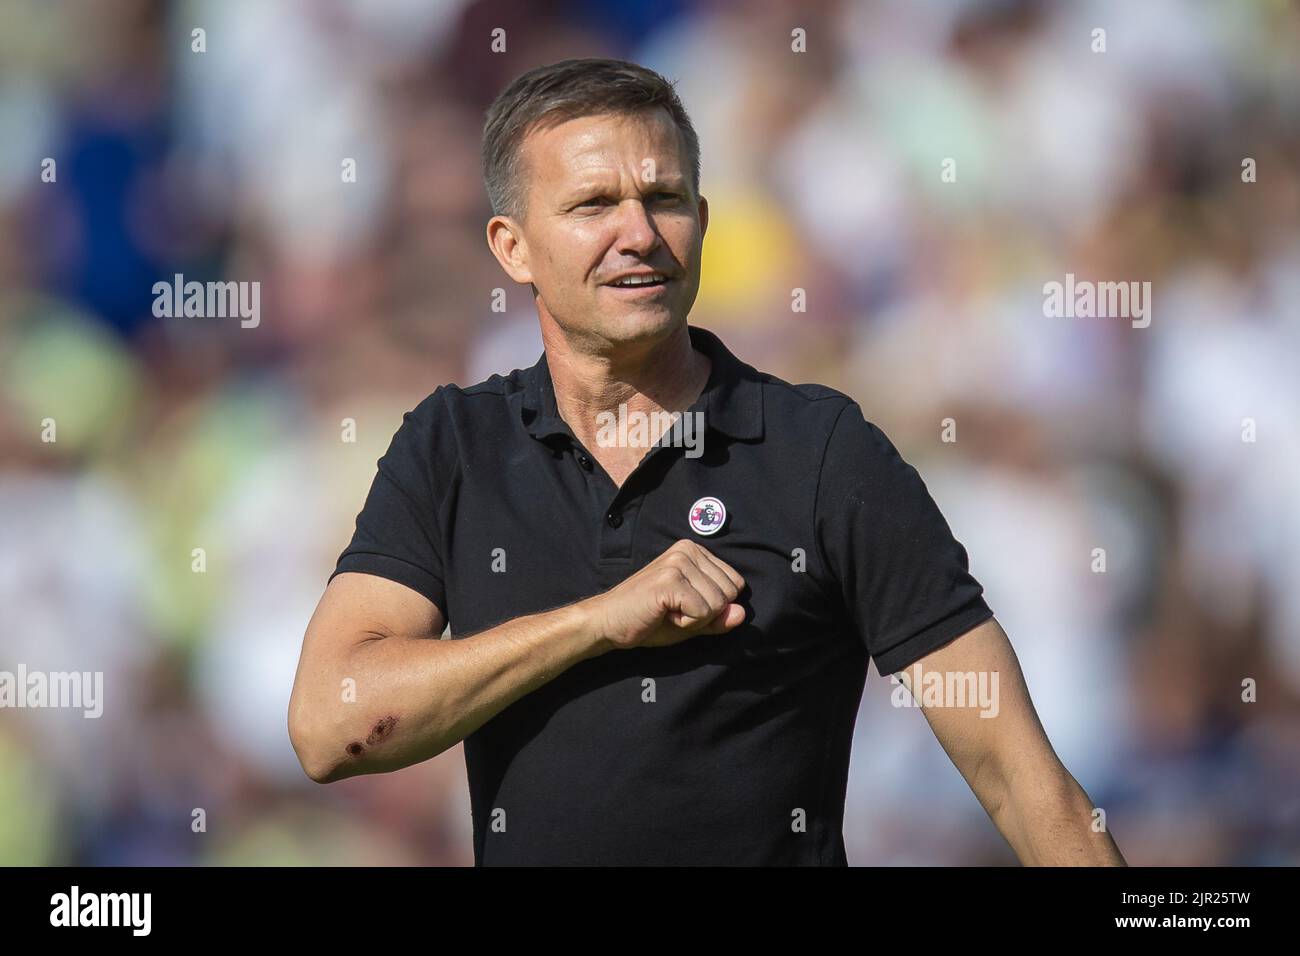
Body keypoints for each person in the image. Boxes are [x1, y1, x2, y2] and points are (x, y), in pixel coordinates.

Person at [287, 57, 1126, 867]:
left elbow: (1022, 782)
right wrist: (596, 623)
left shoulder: (821, 453)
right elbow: (331, 726)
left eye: (664, 198)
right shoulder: (454, 447)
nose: (639, 235)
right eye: (593, 205)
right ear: (513, 248)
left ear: (704, 219)